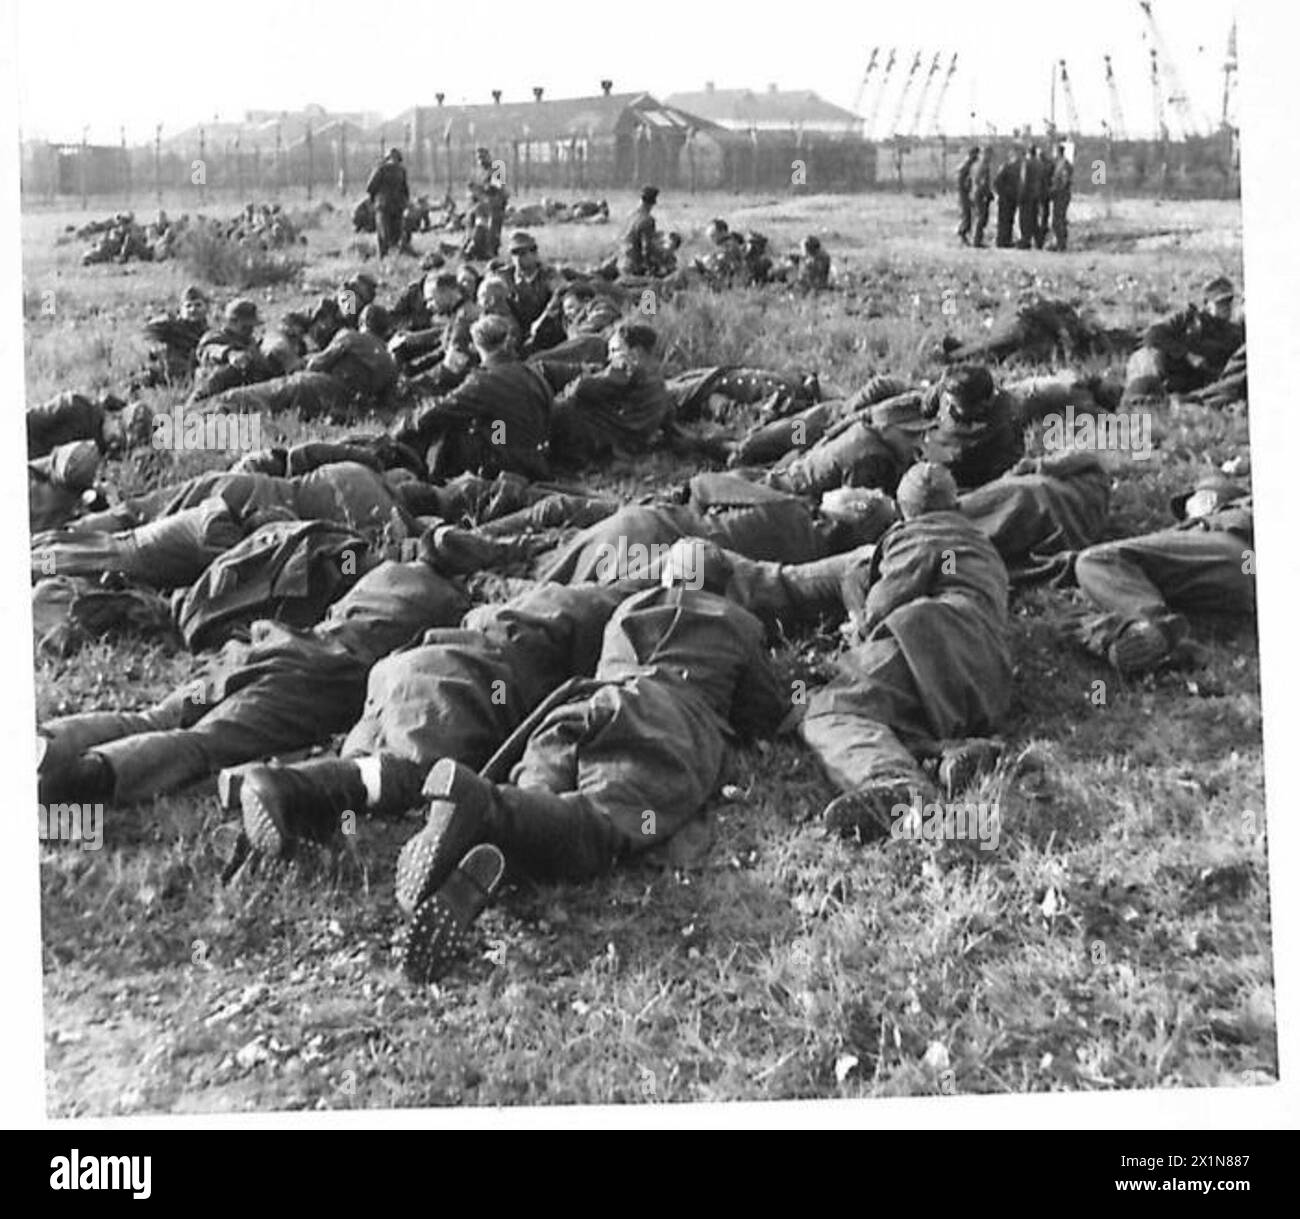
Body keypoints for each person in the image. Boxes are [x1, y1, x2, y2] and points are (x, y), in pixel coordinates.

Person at [396, 538, 789, 983]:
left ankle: (478, 847)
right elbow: (762, 712)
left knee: (539, 797)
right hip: (665, 720)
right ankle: (483, 808)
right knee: (603, 824)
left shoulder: (627, 608)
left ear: (666, 575)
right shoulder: (738, 622)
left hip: (587, 702)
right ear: (723, 586)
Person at [229, 580, 639, 862]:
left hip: (403, 669)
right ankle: (283, 785)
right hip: (457, 684)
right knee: (417, 772)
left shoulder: (541, 598)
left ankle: (284, 800)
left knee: (363, 775)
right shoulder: (610, 617)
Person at [36, 560, 468, 809]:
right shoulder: (451, 605)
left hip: (267, 646)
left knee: (158, 714)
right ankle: (85, 779)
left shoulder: (387, 570)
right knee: (204, 743)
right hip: (318, 680)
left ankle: (48, 745)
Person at [800, 462, 1012, 837]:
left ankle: (897, 785)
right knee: (890, 707)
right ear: (956, 503)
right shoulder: (982, 544)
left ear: (903, 510)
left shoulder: (918, 535)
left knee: (828, 711)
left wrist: (856, 614)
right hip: (988, 676)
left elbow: (880, 609)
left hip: (932, 639)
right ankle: (947, 755)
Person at [1073, 473, 1254, 674]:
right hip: (1243, 585)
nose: (1185, 512)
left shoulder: (1208, 523)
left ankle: (1153, 627)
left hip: (1227, 550)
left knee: (1095, 559)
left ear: (1207, 499)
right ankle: (1170, 648)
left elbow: (1113, 559)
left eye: (1189, 504)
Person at [393, 314, 552, 480]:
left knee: (450, 425)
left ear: (475, 346)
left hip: (505, 461)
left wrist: (405, 424)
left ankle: (432, 479)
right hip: (536, 457)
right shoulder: (532, 373)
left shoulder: (485, 382)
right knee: (495, 420)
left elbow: (442, 410)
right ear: (507, 341)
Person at [547, 322, 676, 466]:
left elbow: (581, 389)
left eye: (614, 350)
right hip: (621, 447)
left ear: (636, 352)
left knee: (561, 407)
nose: (609, 357)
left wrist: (584, 377)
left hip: (597, 442)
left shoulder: (625, 369)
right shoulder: (659, 385)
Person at [1123, 276, 1245, 406]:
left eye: (1228, 302)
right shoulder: (1187, 319)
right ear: (1206, 303)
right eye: (1220, 303)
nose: (1226, 307)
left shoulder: (1234, 332)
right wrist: (1187, 355)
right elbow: (1152, 335)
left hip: (1202, 382)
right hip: (1171, 374)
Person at [190, 299, 276, 401]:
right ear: (232, 321)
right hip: (211, 391)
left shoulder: (249, 341)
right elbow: (209, 350)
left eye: (252, 326)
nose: (251, 330)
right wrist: (230, 354)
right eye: (246, 326)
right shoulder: (214, 336)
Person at [134, 286, 210, 389]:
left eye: (198, 305)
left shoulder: (209, 332)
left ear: (206, 308)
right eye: (188, 306)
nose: (193, 310)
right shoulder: (170, 326)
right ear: (181, 310)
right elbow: (144, 335)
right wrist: (155, 347)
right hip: (165, 373)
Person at [500, 231, 559, 349]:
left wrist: (540, 322)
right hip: (514, 328)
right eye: (514, 254)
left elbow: (558, 296)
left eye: (523, 253)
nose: (518, 258)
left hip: (543, 329)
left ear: (534, 254)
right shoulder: (505, 276)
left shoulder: (548, 274)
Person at [366, 148, 411, 257]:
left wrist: (374, 199)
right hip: (397, 206)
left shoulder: (380, 168)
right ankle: (395, 256)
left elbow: (370, 187)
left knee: (383, 234)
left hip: (383, 205)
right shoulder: (401, 171)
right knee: (395, 234)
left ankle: (383, 258)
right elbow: (406, 191)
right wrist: (404, 203)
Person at [618, 185, 660, 277]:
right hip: (635, 268)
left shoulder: (630, 215)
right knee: (654, 289)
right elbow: (646, 249)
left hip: (621, 263)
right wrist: (651, 268)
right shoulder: (647, 220)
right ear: (652, 203)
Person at [1018, 145, 1048, 250]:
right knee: (1034, 219)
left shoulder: (1026, 164)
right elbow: (1044, 181)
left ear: (1028, 152)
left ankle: (1026, 240)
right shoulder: (1041, 164)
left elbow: (1024, 180)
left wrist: (1020, 195)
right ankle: (1038, 241)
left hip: (1027, 195)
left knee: (1025, 219)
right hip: (1037, 195)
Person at [993, 145, 1023, 249]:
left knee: (1009, 220)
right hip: (1005, 198)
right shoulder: (1006, 167)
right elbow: (997, 182)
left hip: (1012, 198)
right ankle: (1001, 240)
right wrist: (1003, 193)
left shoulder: (1017, 168)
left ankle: (1006, 240)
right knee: (1003, 220)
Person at [1049, 144, 1073, 252]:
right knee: (1057, 219)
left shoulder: (1063, 164)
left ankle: (1061, 244)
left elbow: (1064, 180)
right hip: (1059, 195)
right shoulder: (1059, 163)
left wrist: (1057, 190)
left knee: (1059, 220)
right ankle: (1059, 242)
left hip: (1061, 195)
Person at [956, 146, 979, 246]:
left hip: (965, 193)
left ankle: (964, 235)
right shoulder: (966, 165)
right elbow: (963, 181)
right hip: (964, 194)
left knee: (968, 215)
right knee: (967, 216)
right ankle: (962, 233)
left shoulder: (968, 165)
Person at [972, 146, 994, 248]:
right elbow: (983, 182)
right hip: (980, 193)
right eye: (989, 154)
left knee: (980, 216)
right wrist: (987, 193)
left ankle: (977, 239)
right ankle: (977, 240)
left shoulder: (978, 165)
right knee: (981, 217)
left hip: (977, 192)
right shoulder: (984, 166)